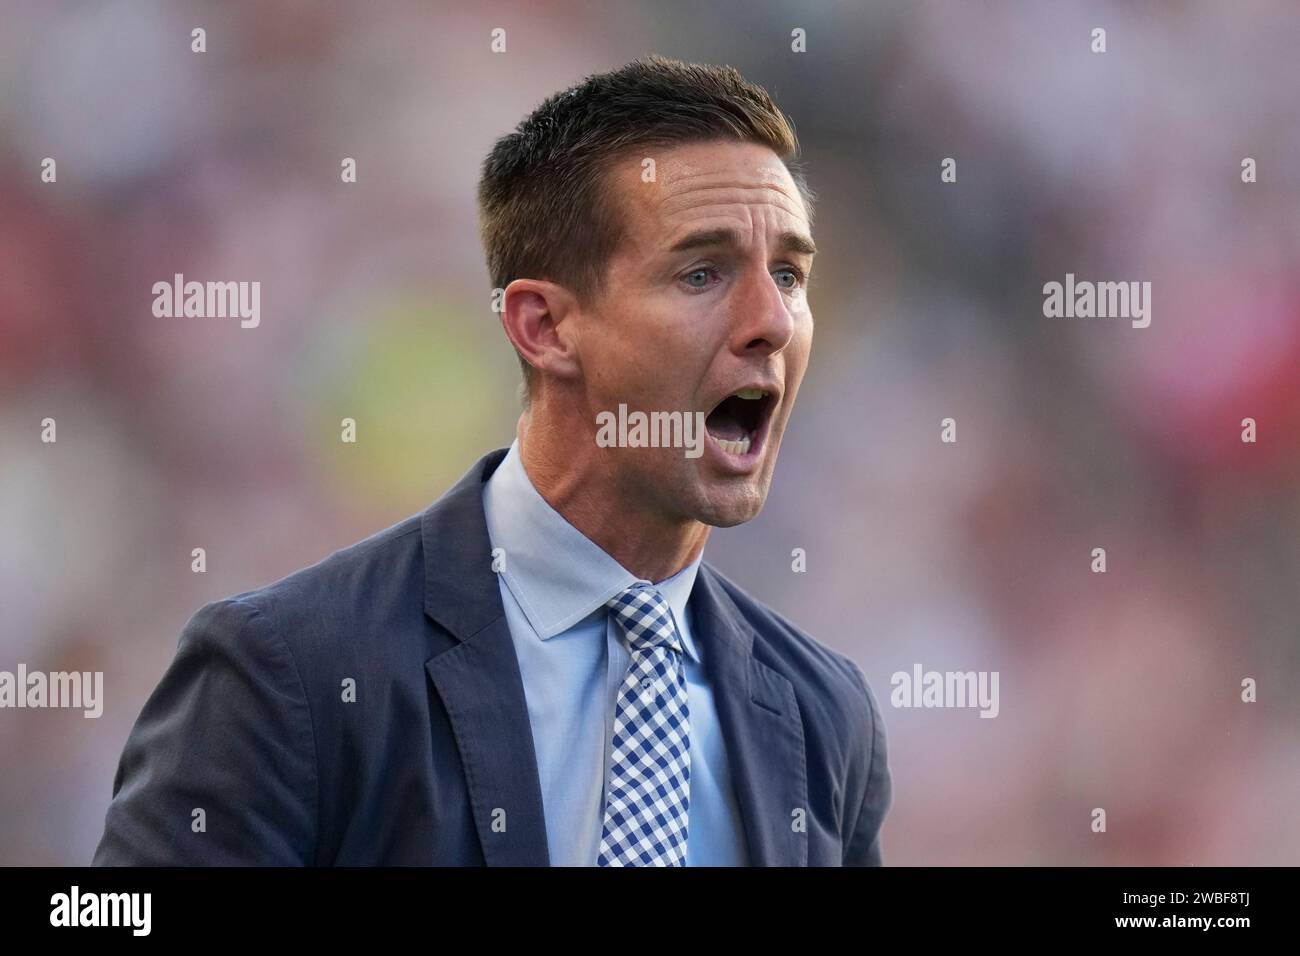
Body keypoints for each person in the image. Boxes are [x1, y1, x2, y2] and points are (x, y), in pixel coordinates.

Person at [92, 54, 892, 867]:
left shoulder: (825, 716)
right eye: (701, 273)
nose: (773, 322)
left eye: (789, 274)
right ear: (543, 327)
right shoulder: (289, 671)